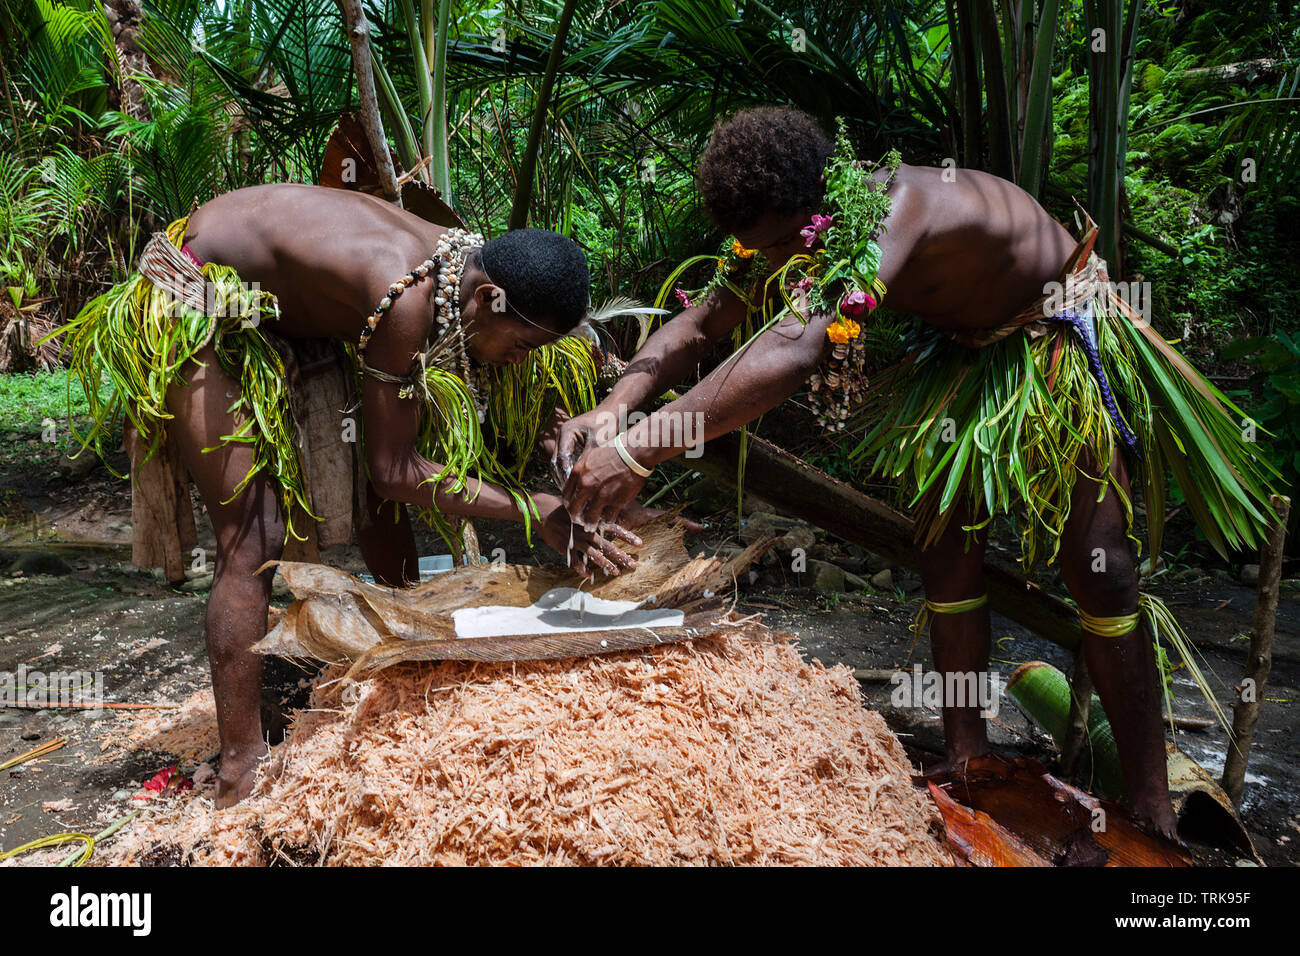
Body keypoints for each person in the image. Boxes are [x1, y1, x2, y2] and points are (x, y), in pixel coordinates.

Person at [556, 106, 1279, 839]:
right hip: (966, 353)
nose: (768, 265)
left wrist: (639, 451)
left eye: (776, 247)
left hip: (1057, 340)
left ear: (812, 210)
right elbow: (700, 325)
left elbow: (794, 349)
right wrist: (615, 412)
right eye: (757, 251)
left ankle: (1154, 810)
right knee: (945, 557)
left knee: (1101, 570)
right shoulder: (781, 236)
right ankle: (968, 757)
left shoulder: (890, 212)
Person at [55, 183, 646, 805]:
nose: (521, 363)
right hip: (194, 294)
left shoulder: (468, 267)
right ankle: (241, 764)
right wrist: (532, 510)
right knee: (254, 539)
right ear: (487, 298)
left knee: (379, 505)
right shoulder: (406, 300)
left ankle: (410, 659)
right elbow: (397, 468)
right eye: (522, 347)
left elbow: (393, 475)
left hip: (286, 309)